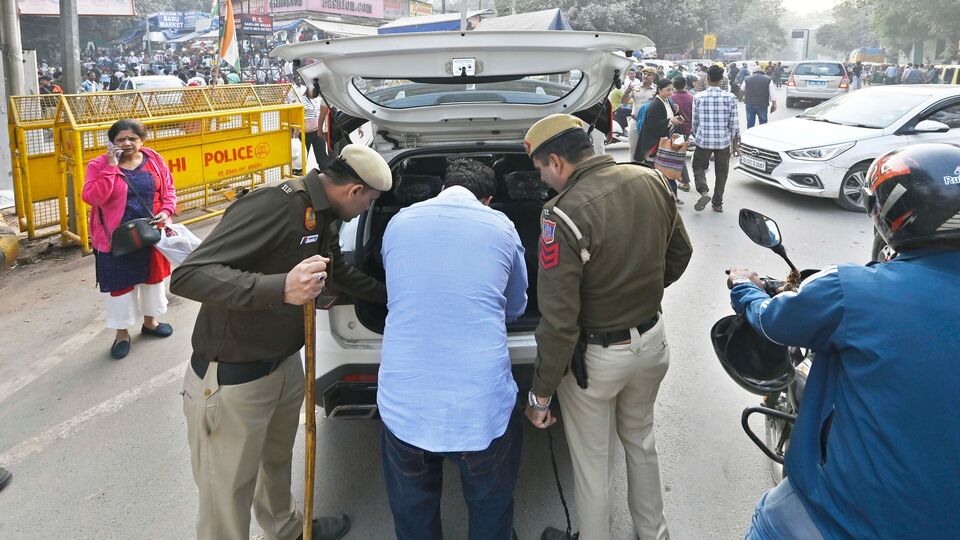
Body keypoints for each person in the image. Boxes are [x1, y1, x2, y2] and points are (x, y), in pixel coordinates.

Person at [730, 142, 960, 539]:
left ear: (890, 214)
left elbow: (773, 322)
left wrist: (743, 289)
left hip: (839, 520)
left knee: (771, 518)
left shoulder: (852, 292)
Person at [170, 144, 392, 540]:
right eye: (370, 200)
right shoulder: (275, 205)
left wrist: (392, 296)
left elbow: (335, 270)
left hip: (284, 367)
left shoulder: (325, 215)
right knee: (227, 491)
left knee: (274, 464)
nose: (366, 209)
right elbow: (189, 275)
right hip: (235, 378)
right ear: (355, 191)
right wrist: (279, 288)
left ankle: (289, 530)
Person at [523, 114, 693, 540]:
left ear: (557, 161)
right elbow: (681, 254)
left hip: (597, 362)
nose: (543, 180)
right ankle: (653, 533)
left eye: (540, 169)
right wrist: (640, 294)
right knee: (640, 442)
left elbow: (560, 323)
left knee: (593, 464)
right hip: (651, 343)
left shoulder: (560, 215)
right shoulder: (650, 179)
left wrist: (540, 394)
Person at [378, 159, 528, 540]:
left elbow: (394, 282)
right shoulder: (502, 227)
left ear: (443, 187)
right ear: (488, 199)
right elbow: (516, 307)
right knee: (490, 507)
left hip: (404, 404)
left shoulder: (399, 221)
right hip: (481, 409)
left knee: (413, 512)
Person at [81, 119, 176, 359]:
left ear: (142, 141)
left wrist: (166, 212)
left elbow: (169, 191)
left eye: (132, 139)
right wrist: (112, 167)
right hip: (115, 239)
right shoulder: (99, 165)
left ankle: (150, 323)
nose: (127, 143)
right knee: (119, 288)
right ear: (112, 142)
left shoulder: (153, 159)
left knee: (153, 281)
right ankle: (121, 334)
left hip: (150, 233)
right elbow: (93, 198)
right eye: (121, 139)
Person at [691, 65, 740, 213]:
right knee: (722, 172)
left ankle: (704, 191)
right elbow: (734, 124)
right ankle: (717, 203)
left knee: (698, 166)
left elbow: (695, 123)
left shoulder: (698, 97)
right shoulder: (730, 97)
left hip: (703, 140)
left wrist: (697, 134)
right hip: (723, 142)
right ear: (722, 79)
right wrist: (736, 144)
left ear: (707, 78)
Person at [670, 76, 694, 192]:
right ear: (685, 84)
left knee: (678, 154)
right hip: (687, 129)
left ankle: (685, 181)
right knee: (679, 153)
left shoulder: (671, 97)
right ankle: (681, 177)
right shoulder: (691, 97)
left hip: (676, 129)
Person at [628, 67, 657, 158]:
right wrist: (627, 92)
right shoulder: (634, 88)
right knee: (633, 149)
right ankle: (633, 171)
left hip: (649, 123)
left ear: (653, 77)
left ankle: (646, 171)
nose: (645, 76)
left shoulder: (657, 90)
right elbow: (624, 101)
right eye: (644, 74)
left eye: (649, 74)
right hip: (635, 121)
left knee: (648, 151)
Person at [300, 78, 329, 166]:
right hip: (304, 134)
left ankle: (325, 175)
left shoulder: (320, 99)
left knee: (323, 158)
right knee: (302, 158)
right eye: (313, 90)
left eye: (316, 90)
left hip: (317, 132)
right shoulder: (301, 99)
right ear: (308, 88)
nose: (315, 92)